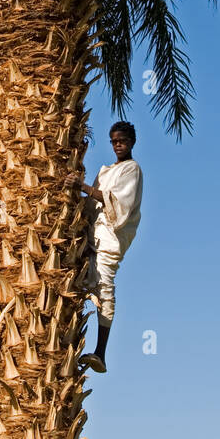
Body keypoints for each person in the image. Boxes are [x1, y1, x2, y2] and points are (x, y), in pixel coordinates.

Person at [64, 121, 143, 373]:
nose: (118, 145)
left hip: (110, 239)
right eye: (114, 141)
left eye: (122, 140)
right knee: (77, 282)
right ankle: (67, 343)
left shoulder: (132, 170)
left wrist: (85, 187)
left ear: (131, 142)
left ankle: (101, 352)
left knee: (104, 288)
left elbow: (119, 203)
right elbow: (92, 200)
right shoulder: (106, 170)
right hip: (92, 234)